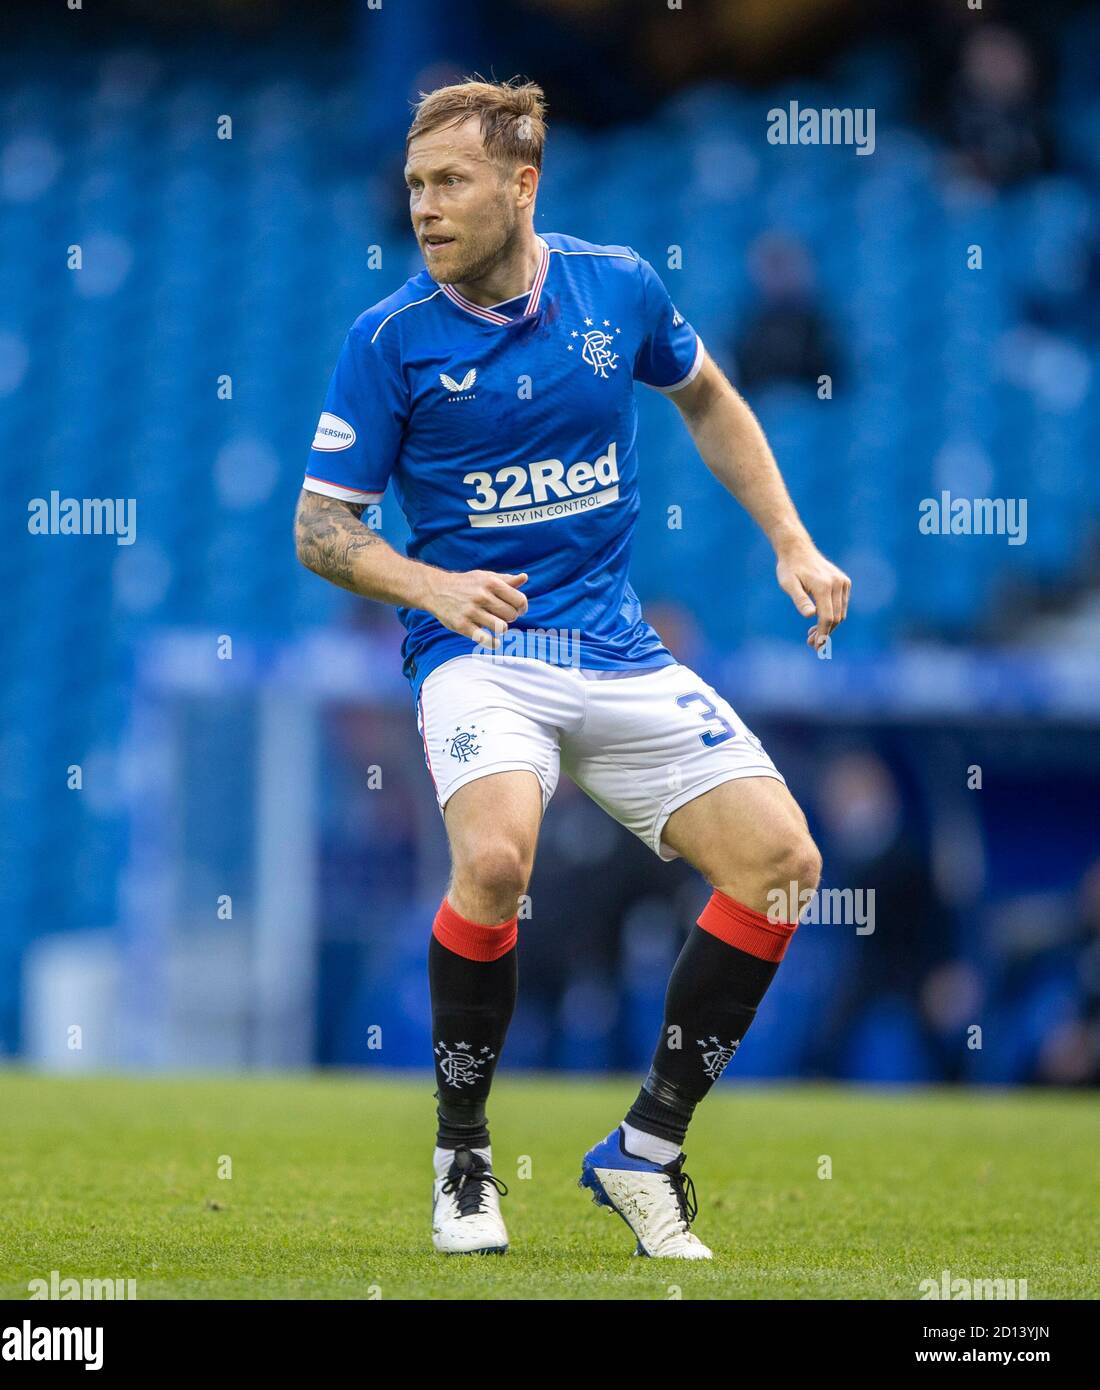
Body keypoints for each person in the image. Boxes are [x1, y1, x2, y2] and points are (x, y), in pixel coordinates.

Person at [294, 77, 851, 1259]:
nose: (425, 209)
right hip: (478, 652)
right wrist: (433, 585)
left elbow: (704, 396)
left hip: (616, 647)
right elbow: (320, 529)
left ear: (520, 183)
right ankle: (461, 1156)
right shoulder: (388, 341)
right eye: (413, 187)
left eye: (449, 183)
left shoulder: (617, 288)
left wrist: (789, 541)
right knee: (494, 860)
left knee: (785, 865)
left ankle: (644, 1151)